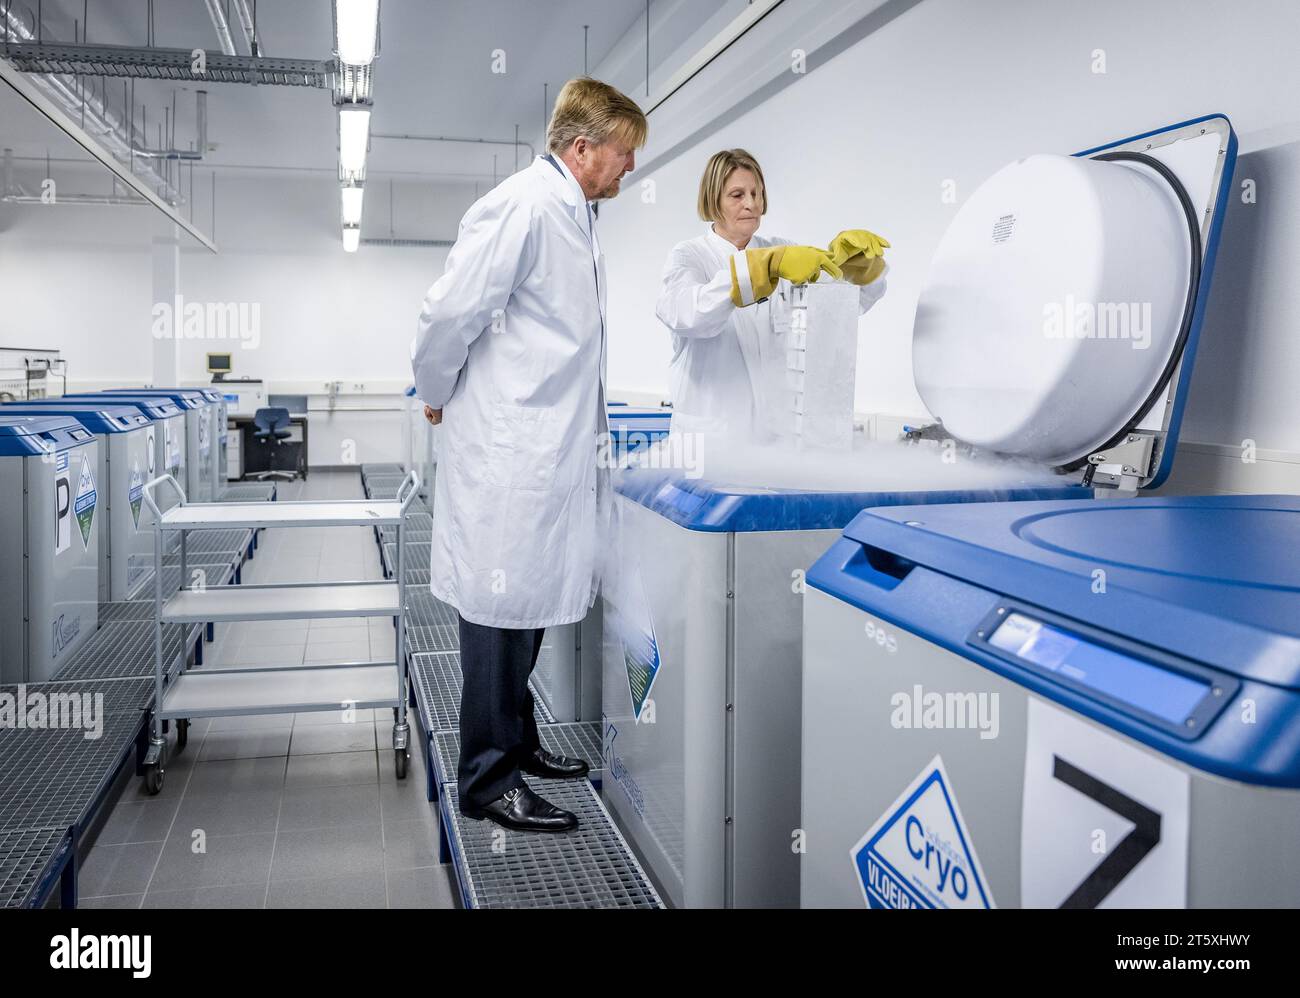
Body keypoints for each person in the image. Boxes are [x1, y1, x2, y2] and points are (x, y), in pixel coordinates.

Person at [411, 78, 647, 833]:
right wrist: (434, 388)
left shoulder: (571, 213)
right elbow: (450, 310)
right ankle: (485, 778)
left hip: (547, 452)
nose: (628, 170)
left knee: (528, 608)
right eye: (622, 155)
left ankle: (521, 744)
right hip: (511, 454)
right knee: (497, 613)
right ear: (581, 150)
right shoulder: (523, 205)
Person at [655, 148, 889, 439]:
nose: (751, 204)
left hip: (775, 443)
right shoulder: (689, 256)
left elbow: (840, 304)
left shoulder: (783, 250)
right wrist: (756, 269)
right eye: (737, 195)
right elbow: (686, 315)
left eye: (757, 193)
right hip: (711, 442)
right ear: (713, 199)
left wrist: (861, 270)